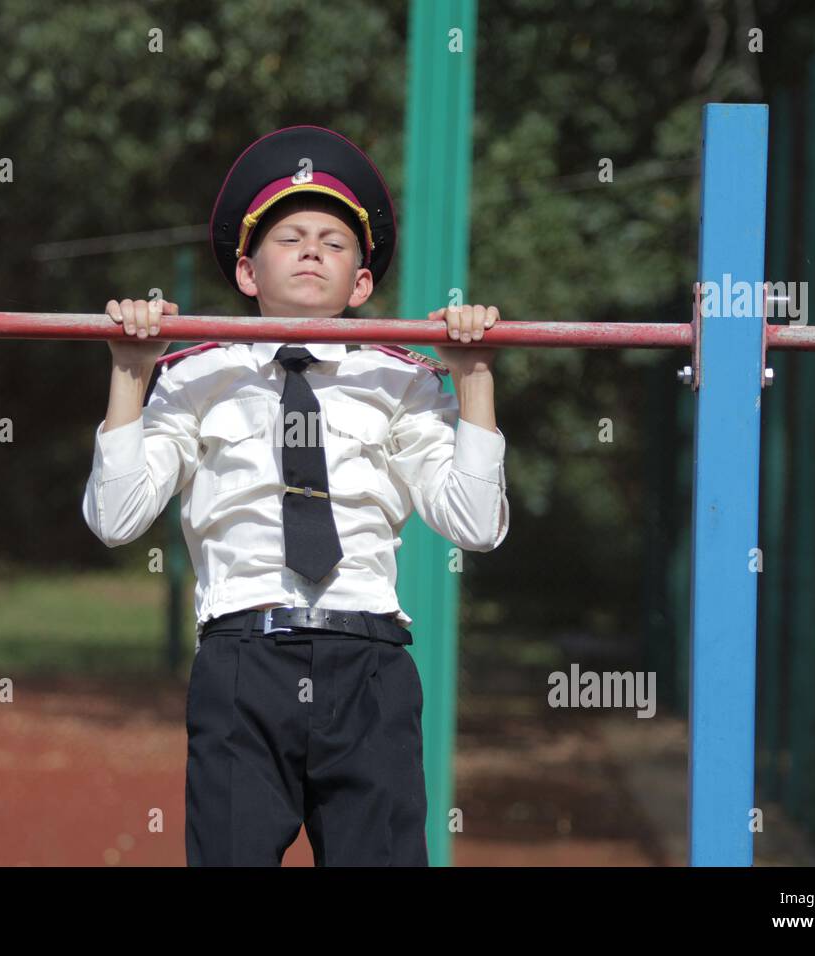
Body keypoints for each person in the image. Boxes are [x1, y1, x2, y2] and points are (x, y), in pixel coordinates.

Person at [82, 125, 509, 866]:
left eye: (336, 242)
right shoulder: (195, 376)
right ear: (246, 271)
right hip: (245, 659)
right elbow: (116, 519)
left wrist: (473, 379)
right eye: (290, 236)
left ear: (363, 283)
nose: (313, 249)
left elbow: (475, 523)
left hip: (369, 664)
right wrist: (130, 373)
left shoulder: (400, 379)